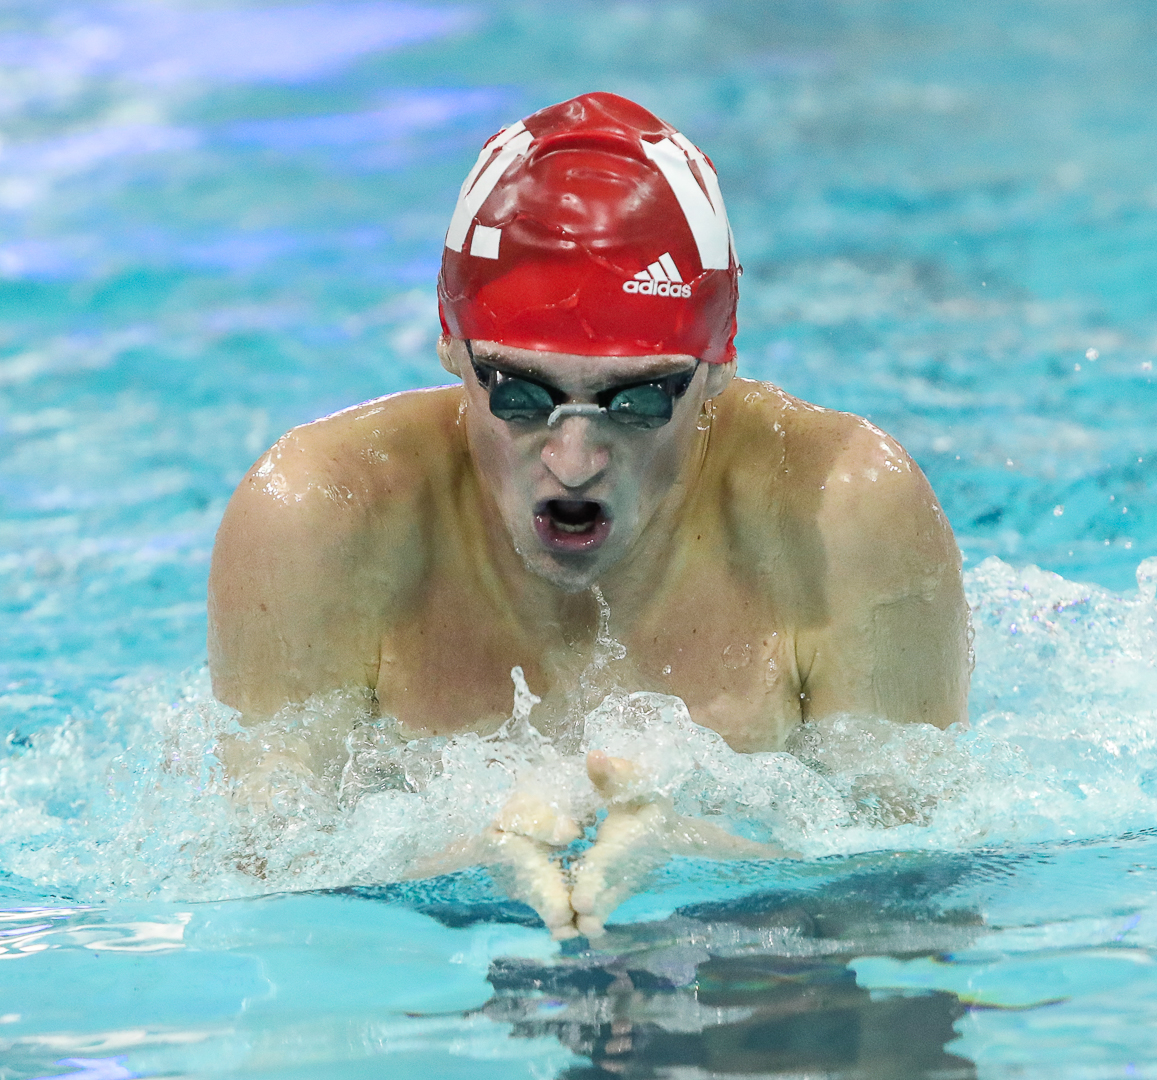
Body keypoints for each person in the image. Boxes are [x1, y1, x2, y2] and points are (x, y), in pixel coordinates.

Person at [207, 92, 970, 938]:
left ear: (716, 367)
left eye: (638, 399)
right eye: (520, 394)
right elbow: (257, 882)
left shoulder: (839, 510)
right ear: (450, 346)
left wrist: (698, 852)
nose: (573, 462)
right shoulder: (324, 516)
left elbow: (919, 904)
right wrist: (459, 859)